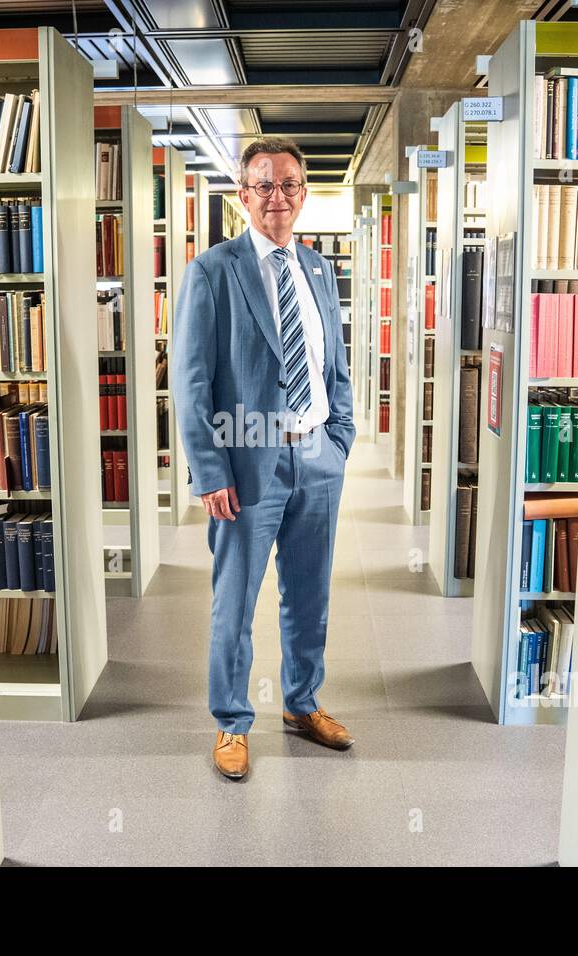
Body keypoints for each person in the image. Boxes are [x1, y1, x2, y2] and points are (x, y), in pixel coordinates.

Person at [172, 137, 356, 780]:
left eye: (289, 185)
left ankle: (302, 704)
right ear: (243, 196)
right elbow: (191, 382)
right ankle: (230, 721)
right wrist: (210, 472)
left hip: (317, 459)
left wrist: (340, 439)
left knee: (309, 595)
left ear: (303, 194)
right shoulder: (212, 271)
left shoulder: (319, 269)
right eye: (263, 186)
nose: (277, 197)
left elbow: (334, 363)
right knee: (236, 599)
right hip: (246, 462)